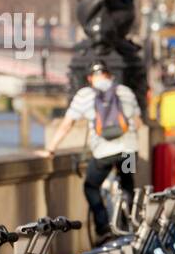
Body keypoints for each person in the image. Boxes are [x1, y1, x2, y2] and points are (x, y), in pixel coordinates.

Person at [42, 62, 141, 241]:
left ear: (90, 78)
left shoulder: (85, 95)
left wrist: (51, 148)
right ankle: (131, 221)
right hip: (128, 150)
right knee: (127, 182)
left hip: (104, 152)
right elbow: (138, 122)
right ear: (109, 75)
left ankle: (103, 227)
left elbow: (67, 124)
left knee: (91, 186)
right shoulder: (125, 91)